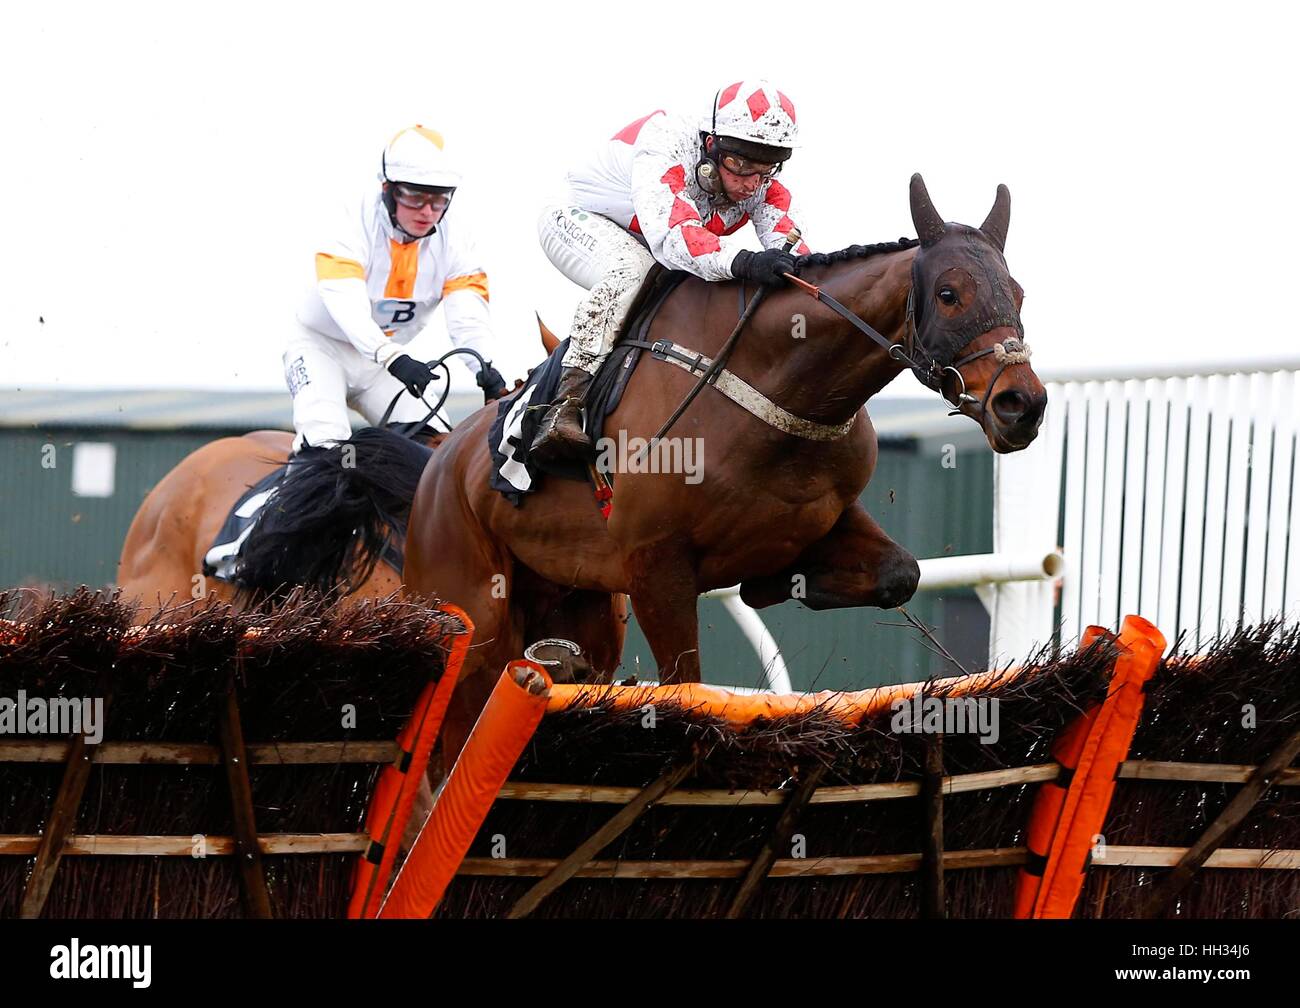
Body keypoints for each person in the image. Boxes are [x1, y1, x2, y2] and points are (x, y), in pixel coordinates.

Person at [532, 80, 811, 463]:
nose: (751, 183)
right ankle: (564, 405)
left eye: (765, 169)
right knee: (633, 269)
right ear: (712, 144)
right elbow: (673, 236)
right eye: (741, 165)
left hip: (650, 241)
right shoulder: (666, 142)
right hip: (580, 219)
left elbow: (793, 250)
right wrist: (746, 261)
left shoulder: (759, 180)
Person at [285, 124, 509, 454]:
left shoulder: (456, 237)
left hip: (381, 361)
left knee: (435, 451)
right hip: (322, 348)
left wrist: (487, 369)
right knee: (328, 450)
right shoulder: (350, 219)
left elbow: (467, 314)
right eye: (415, 198)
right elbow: (346, 305)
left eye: (438, 201)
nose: (427, 212)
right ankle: (282, 506)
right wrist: (393, 358)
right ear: (388, 190)